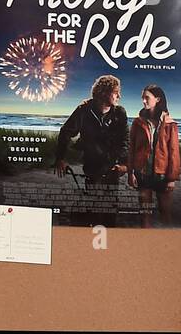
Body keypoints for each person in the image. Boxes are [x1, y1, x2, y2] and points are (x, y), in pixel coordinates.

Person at [54, 74, 129, 226]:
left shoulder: (119, 113)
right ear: (104, 92)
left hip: (113, 167)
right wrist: (60, 158)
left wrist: (124, 165)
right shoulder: (84, 110)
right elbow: (65, 132)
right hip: (92, 166)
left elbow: (125, 141)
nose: (119, 96)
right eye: (115, 92)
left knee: (111, 209)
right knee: (95, 206)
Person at [127, 84, 181, 227]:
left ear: (157, 99)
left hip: (162, 175)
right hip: (142, 174)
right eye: (142, 98)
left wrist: (172, 178)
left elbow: (174, 152)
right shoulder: (137, 123)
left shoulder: (170, 124)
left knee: (165, 213)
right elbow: (131, 149)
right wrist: (130, 173)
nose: (143, 101)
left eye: (147, 98)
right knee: (145, 214)